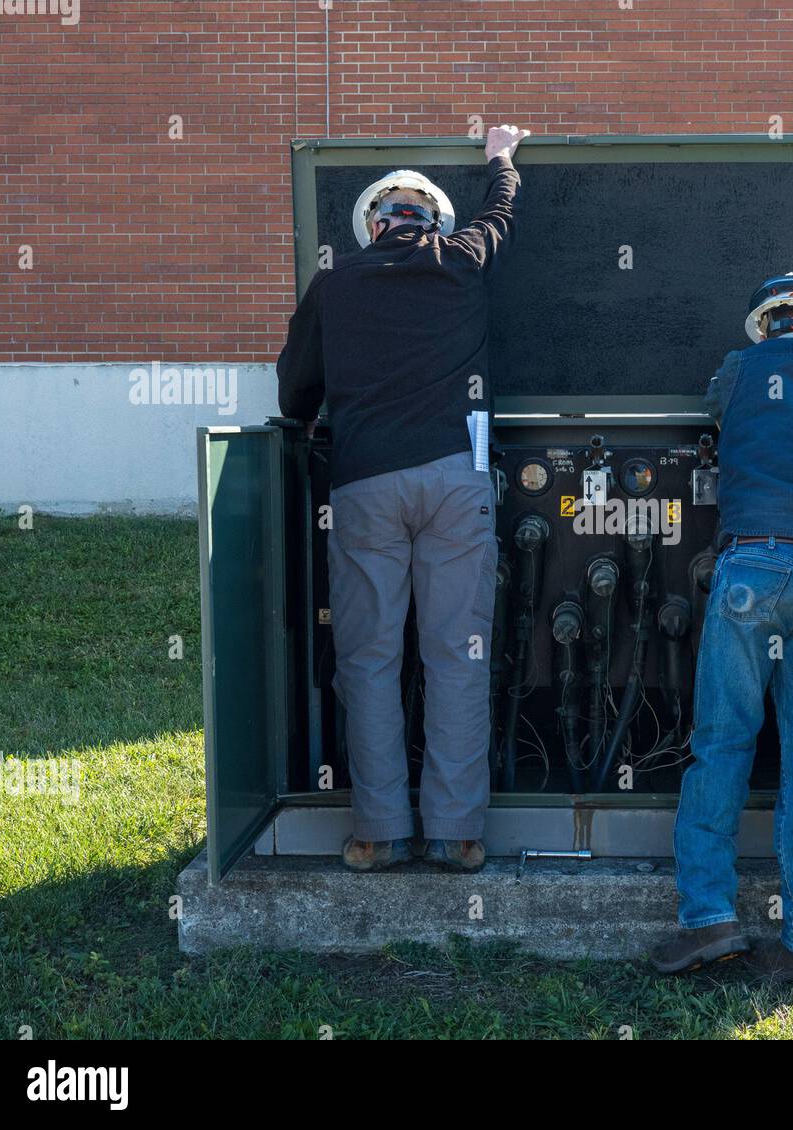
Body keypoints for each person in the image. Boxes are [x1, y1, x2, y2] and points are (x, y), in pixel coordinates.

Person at [276, 123, 530, 874]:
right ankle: (457, 835)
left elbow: (295, 394)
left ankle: (380, 833)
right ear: (434, 222)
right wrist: (501, 160)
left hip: (364, 486)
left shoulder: (335, 284)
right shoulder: (462, 260)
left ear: (374, 225)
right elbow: (503, 215)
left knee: (369, 659)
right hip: (457, 481)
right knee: (458, 656)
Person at [651, 272, 793, 987]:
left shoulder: (742, 369)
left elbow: (717, 409)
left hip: (753, 569)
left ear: (767, 323)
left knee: (722, 744)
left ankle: (708, 918)